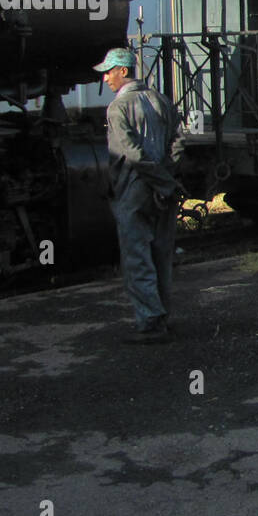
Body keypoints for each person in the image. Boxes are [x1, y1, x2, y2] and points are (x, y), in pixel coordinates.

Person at [94, 47, 184, 340]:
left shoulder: (118, 108)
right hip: (163, 189)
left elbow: (132, 154)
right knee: (161, 255)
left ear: (124, 71)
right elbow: (178, 143)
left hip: (135, 188)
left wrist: (158, 181)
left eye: (109, 71)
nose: (106, 78)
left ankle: (150, 322)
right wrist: (167, 179)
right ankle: (164, 316)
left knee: (137, 258)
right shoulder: (162, 100)